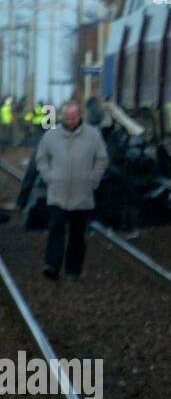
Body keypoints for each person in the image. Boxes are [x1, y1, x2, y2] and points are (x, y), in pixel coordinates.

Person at [34, 100, 108, 281]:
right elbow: (41, 158)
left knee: (77, 234)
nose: (70, 121)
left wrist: (94, 179)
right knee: (56, 229)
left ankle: (73, 270)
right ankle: (52, 265)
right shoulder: (51, 136)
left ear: (80, 115)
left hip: (82, 194)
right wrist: (48, 177)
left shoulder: (93, 136)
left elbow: (102, 158)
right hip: (57, 193)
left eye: (73, 117)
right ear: (63, 116)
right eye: (67, 117)